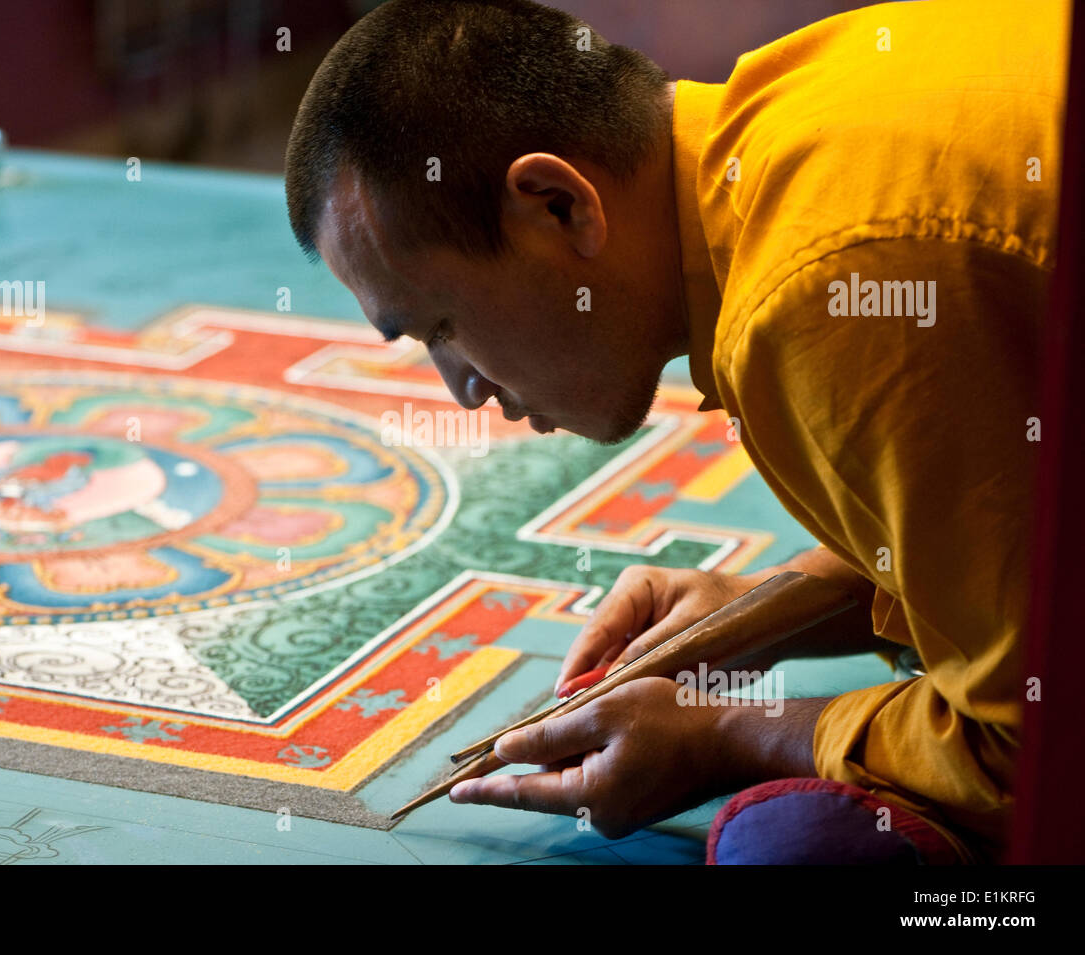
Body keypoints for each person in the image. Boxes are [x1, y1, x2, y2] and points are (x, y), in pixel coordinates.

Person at [283, 0, 1068, 863]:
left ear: (557, 206)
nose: (463, 391)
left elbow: (1028, 757)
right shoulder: (805, 102)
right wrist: (767, 611)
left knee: (794, 847)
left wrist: (729, 734)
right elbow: (1021, 509)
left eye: (438, 326)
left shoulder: (823, 290)